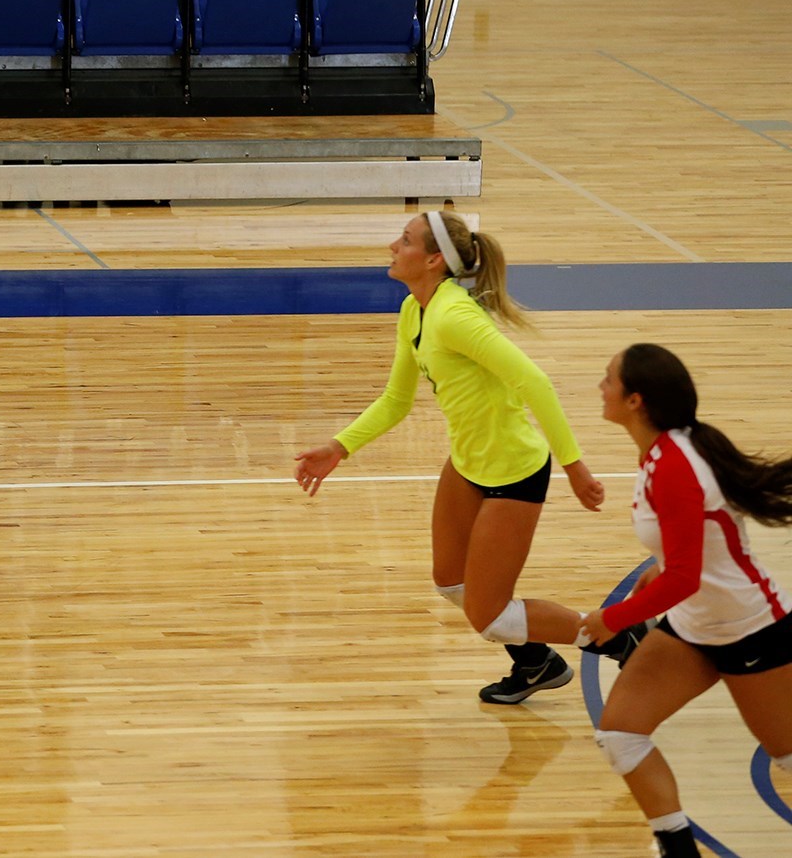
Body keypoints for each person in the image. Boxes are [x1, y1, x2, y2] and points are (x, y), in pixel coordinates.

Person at [293, 211, 645, 702]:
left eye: (406, 240)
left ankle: (622, 639)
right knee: (450, 583)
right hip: (467, 462)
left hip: (513, 470)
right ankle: (536, 662)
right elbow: (397, 399)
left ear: (434, 259)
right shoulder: (414, 310)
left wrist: (575, 467)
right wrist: (340, 446)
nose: (393, 246)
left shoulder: (455, 316)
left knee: (491, 615)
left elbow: (535, 382)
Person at [579, 344, 792, 858]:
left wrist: (614, 617)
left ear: (635, 400)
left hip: (751, 629)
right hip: (695, 628)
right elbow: (687, 553)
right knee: (622, 733)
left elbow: (686, 577)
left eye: (608, 380)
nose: (599, 387)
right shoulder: (660, 451)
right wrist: (656, 570)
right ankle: (678, 849)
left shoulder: (675, 462)